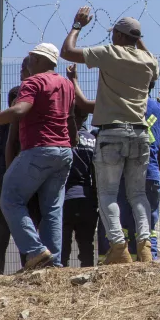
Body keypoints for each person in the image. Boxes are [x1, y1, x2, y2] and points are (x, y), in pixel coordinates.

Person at [60, 7, 160, 264]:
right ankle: (145, 244)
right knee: (137, 194)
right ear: (137, 38)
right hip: (140, 134)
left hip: (112, 132)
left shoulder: (109, 53)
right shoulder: (149, 61)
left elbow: (67, 52)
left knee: (107, 193)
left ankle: (118, 247)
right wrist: (137, 38)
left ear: (117, 34)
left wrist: (77, 25)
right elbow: (151, 62)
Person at [0, 43, 76, 269]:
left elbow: (20, 110)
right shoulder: (66, 84)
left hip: (39, 149)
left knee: (9, 198)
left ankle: (36, 250)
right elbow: (71, 118)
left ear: (38, 60)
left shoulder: (33, 82)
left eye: (31, 58)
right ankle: (52, 262)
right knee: (52, 209)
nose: (28, 62)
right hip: (64, 151)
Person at [0, 58, 28, 275]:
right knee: (19, 242)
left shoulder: (4, 122)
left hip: (3, 188)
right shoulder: (27, 123)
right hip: (18, 189)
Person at [61, 108, 97, 267]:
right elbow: (96, 172)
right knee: (87, 245)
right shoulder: (93, 139)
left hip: (65, 197)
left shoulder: (62, 136)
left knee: (63, 243)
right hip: (87, 198)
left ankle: (60, 273)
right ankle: (88, 276)